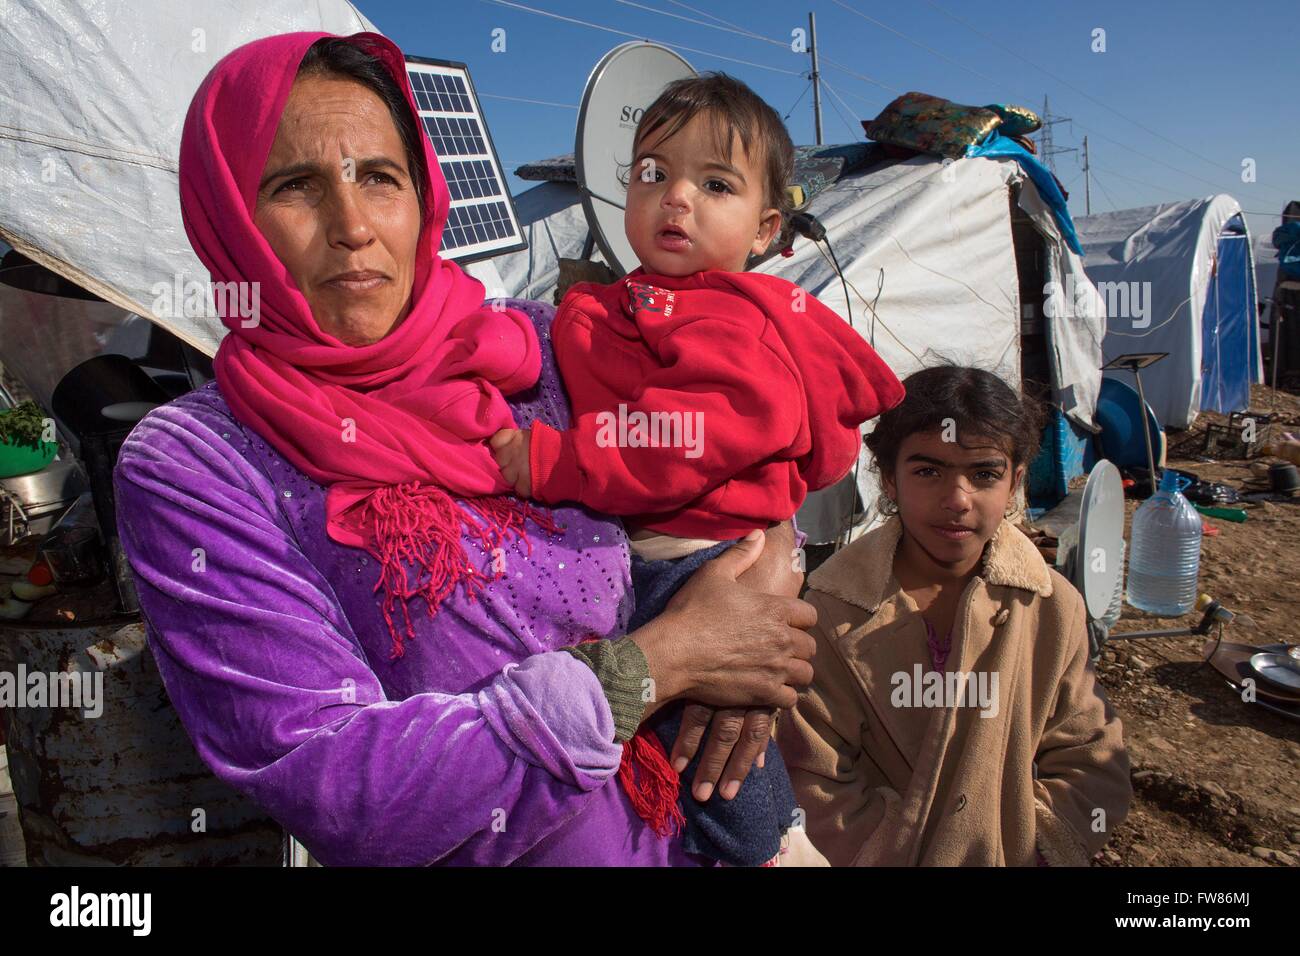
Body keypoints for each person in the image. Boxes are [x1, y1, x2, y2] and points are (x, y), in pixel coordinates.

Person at [112, 31, 817, 866]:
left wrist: (765, 584)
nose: (352, 226)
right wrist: (668, 662)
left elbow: (730, 457)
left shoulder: (543, 353)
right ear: (228, 213)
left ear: (424, 196)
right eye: (294, 186)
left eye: (379, 177)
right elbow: (342, 785)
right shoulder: (197, 465)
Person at [490, 73, 904, 866]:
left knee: (713, 764)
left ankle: (762, 853)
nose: (676, 196)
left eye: (715, 184)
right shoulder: (658, 303)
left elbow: (679, 442)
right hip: (696, 557)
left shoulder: (727, 319)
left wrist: (555, 460)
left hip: (694, 565)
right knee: (711, 747)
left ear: (765, 228)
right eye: (654, 172)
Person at [776, 366, 1132, 866]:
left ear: (1015, 483)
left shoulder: (1050, 608)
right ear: (889, 479)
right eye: (928, 471)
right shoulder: (831, 612)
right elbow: (813, 774)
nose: (958, 499)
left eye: (984, 474)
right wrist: (890, 850)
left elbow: (1091, 760)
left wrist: (1031, 845)